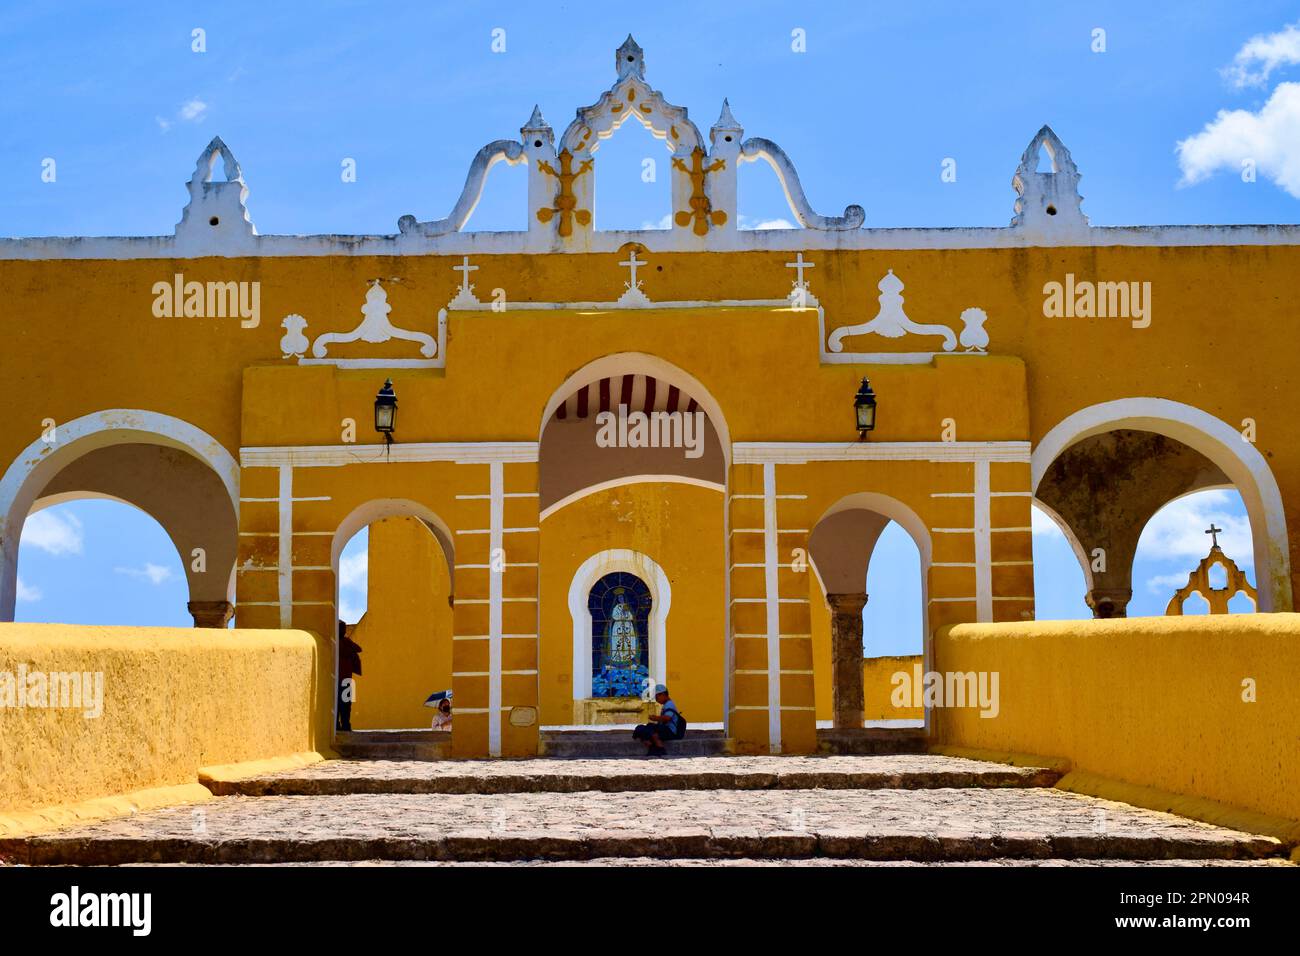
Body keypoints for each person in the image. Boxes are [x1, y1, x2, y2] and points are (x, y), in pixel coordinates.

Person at [632, 684, 683, 756]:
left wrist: (655, 718)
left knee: (648, 727)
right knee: (642, 728)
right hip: (666, 730)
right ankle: (653, 747)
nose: (656, 699)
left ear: (663, 694)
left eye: (657, 697)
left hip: (670, 732)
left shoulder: (669, 704)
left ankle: (658, 747)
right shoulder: (666, 705)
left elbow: (667, 718)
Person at [337, 621, 363, 732]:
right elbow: (359, 649)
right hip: (347, 680)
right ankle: (346, 726)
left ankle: (337, 726)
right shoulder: (347, 644)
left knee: (337, 704)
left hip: (337, 680)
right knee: (346, 706)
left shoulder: (335, 644)